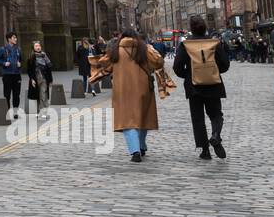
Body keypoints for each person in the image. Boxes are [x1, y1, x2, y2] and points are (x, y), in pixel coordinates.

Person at [89, 28, 166, 164]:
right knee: (143, 117)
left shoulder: (115, 51)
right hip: (143, 89)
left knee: (128, 120)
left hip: (122, 91)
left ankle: (135, 150)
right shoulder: (144, 48)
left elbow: (103, 64)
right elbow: (159, 61)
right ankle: (141, 145)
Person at [172, 15, 231, 160]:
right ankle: (216, 134)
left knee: (198, 118)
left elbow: (177, 67)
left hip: (194, 86)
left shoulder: (185, 45)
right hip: (213, 84)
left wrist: (188, 75)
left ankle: (205, 150)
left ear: (191, 28)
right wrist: (213, 71)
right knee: (216, 114)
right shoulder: (214, 43)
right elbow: (225, 64)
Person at [0, 32, 23, 119]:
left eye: (16, 37)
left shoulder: (18, 49)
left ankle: (15, 112)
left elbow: (21, 60)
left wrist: (20, 64)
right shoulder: (3, 49)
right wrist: (4, 63)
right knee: (7, 94)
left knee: (16, 94)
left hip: (17, 74)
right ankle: (7, 111)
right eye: (14, 37)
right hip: (7, 74)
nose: (16, 39)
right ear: (9, 39)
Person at [26, 40, 53, 120]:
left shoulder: (44, 56)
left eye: (39, 46)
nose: (38, 47)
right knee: (37, 96)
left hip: (44, 78)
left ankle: (44, 112)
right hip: (35, 79)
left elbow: (49, 68)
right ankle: (38, 112)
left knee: (43, 95)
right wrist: (32, 79)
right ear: (33, 48)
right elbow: (29, 70)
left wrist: (50, 80)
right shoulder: (31, 57)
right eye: (36, 46)